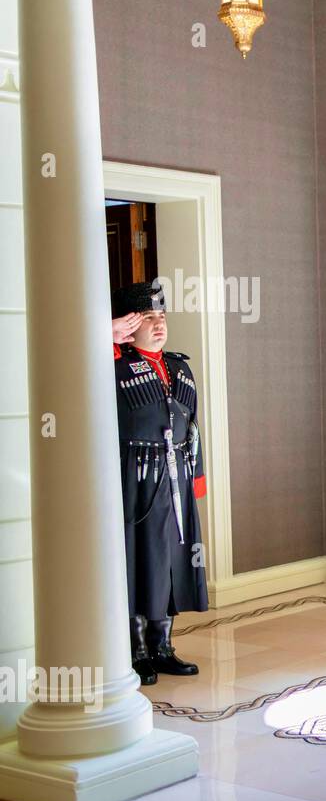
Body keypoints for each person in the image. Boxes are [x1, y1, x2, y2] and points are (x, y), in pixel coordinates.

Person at [111, 280, 206, 685]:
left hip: (177, 479)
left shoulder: (180, 366)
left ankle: (163, 646)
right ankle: (137, 651)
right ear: (129, 324)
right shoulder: (113, 365)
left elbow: (193, 428)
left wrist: (196, 481)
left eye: (162, 316)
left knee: (172, 560)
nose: (159, 324)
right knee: (140, 559)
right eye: (148, 317)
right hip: (136, 479)